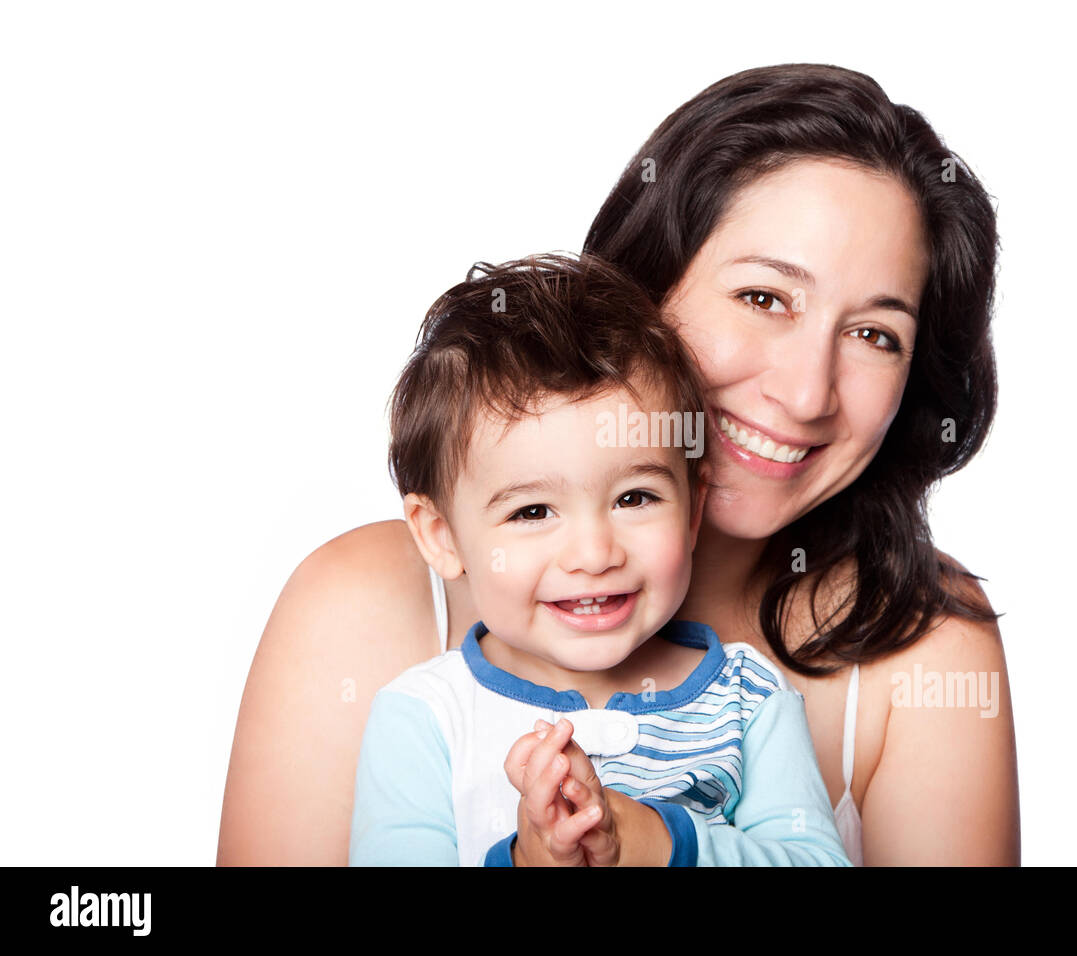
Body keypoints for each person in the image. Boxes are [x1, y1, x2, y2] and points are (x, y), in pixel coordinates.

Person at [218, 63, 1019, 866]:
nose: (808, 394)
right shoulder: (362, 609)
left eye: (876, 335)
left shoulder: (923, 644)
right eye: (764, 298)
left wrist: (656, 839)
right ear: (643, 284)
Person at [348, 254, 852, 866]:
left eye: (634, 498)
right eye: (532, 512)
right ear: (442, 537)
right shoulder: (425, 718)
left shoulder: (748, 699)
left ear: (693, 509)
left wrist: (657, 843)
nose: (593, 555)